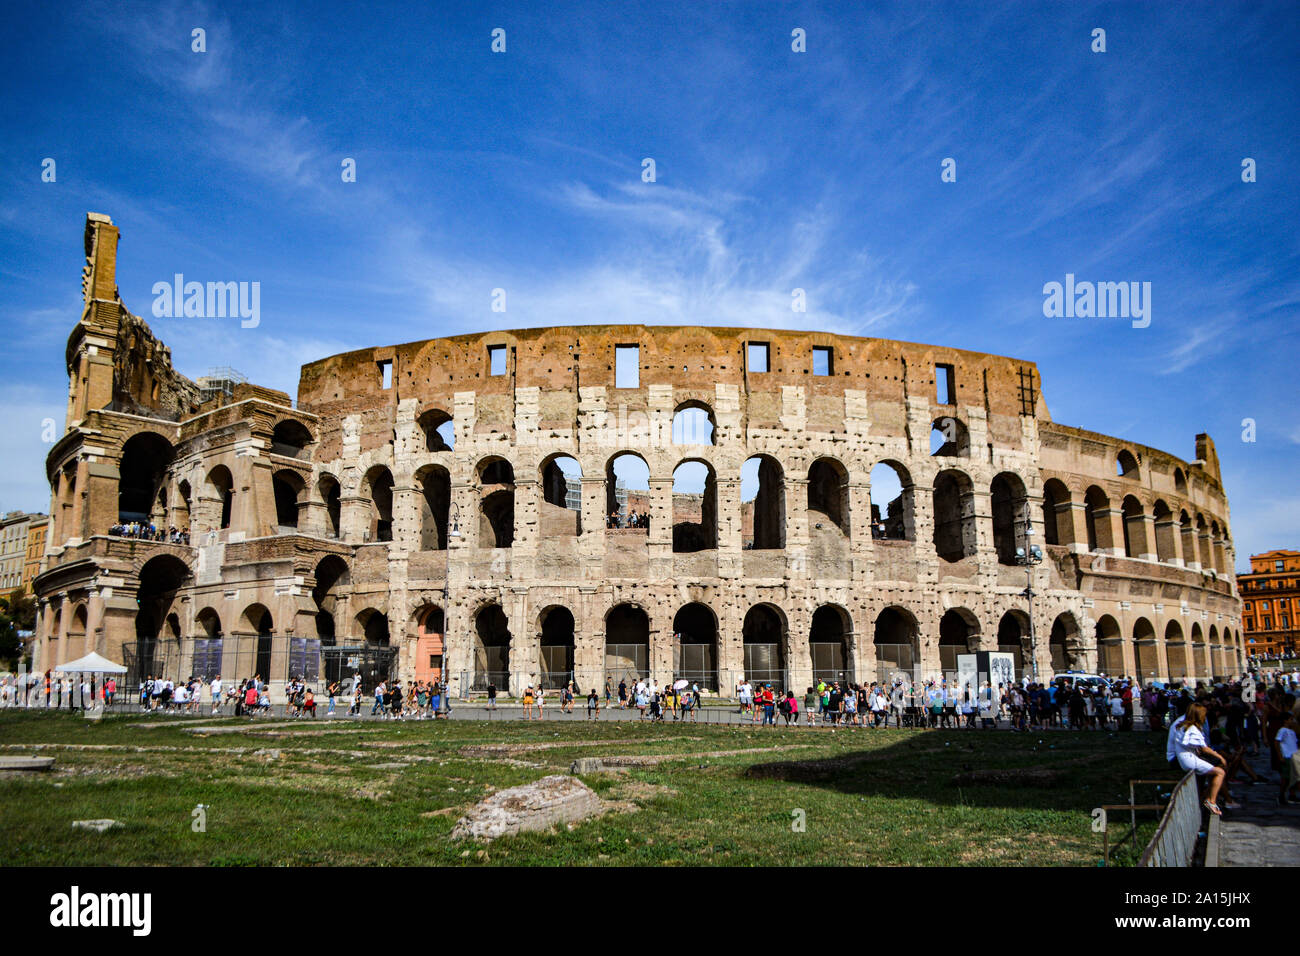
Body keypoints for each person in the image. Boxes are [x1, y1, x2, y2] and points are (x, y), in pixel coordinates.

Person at [1177, 703, 1228, 815]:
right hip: (1189, 759)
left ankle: (1204, 796)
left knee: (1210, 772)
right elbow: (1204, 749)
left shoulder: (1183, 726)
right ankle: (1211, 801)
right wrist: (1219, 756)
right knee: (1220, 772)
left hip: (1186, 757)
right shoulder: (1193, 729)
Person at [1274, 713, 1300, 806]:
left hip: (1294, 757)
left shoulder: (1292, 731)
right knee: (1286, 778)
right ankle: (1281, 795)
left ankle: (1292, 795)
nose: (1292, 721)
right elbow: (1277, 742)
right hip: (1287, 757)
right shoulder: (1282, 730)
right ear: (1285, 720)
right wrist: (1280, 756)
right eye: (1290, 719)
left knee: (1294, 777)